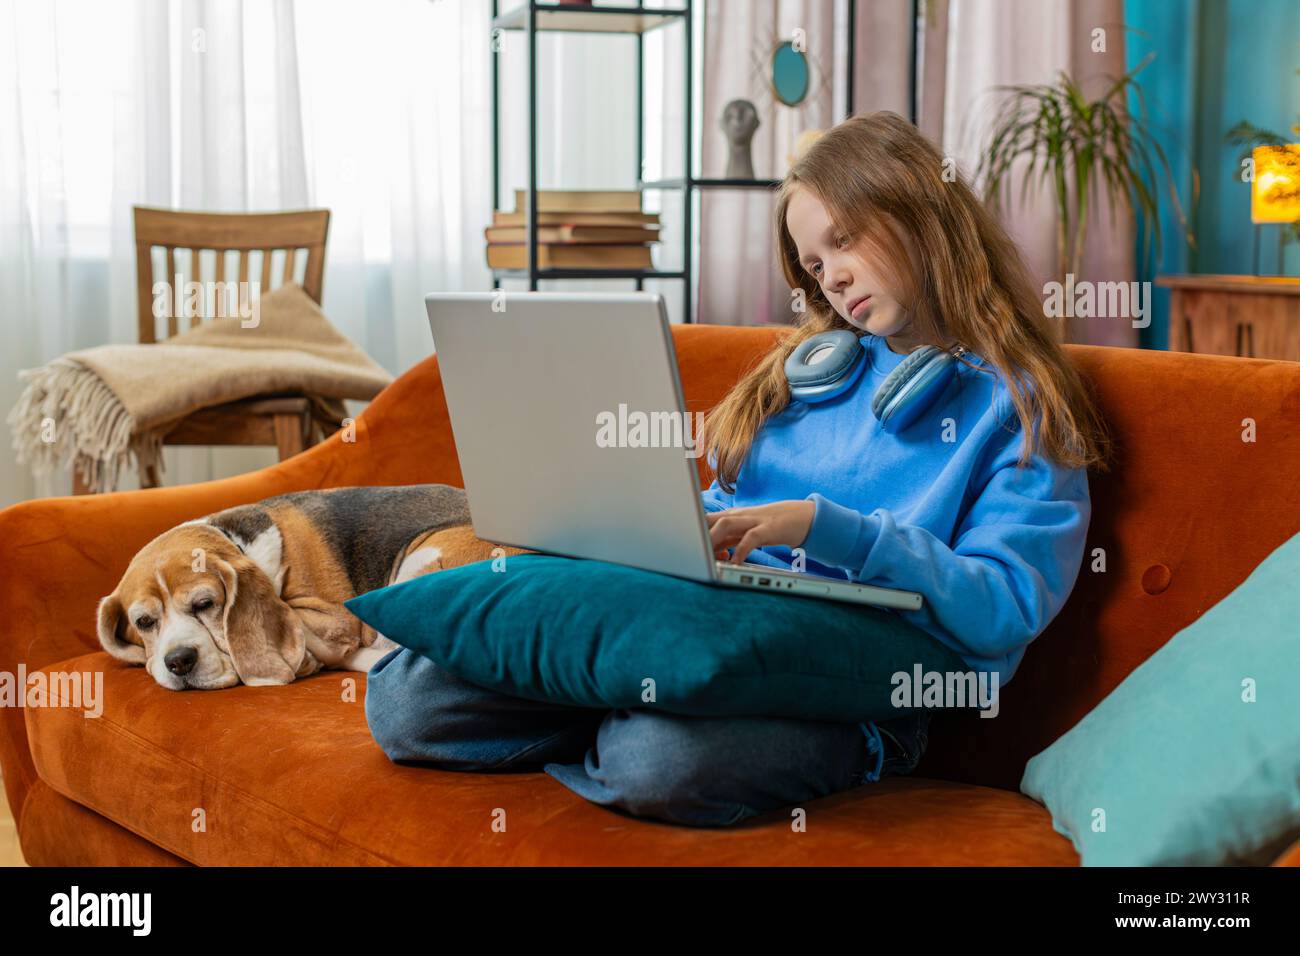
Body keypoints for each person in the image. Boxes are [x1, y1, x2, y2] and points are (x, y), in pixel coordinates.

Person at [365, 111, 1110, 828]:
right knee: (409, 702)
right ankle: (634, 695)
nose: (833, 281)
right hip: (721, 627)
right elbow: (728, 502)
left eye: (844, 241)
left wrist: (832, 531)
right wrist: (651, 520)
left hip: (858, 685)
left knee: (655, 763)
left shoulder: (1019, 405)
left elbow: (1004, 607)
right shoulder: (812, 372)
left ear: (919, 209)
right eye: (816, 267)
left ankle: (655, 715)